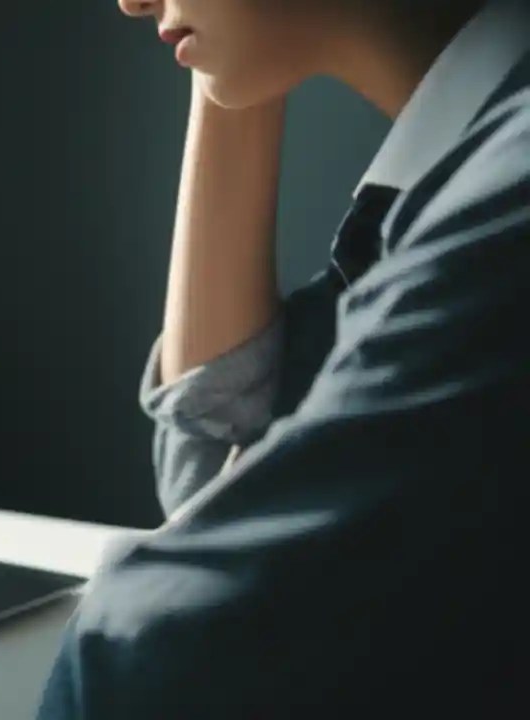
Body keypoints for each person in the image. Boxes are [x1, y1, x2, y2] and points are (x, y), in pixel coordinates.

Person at [38, 0, 527, 716]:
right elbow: (216, 473)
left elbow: (149, 645)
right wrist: (223, 57)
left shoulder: (506, 201)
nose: (132, 2)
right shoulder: (465, 155)